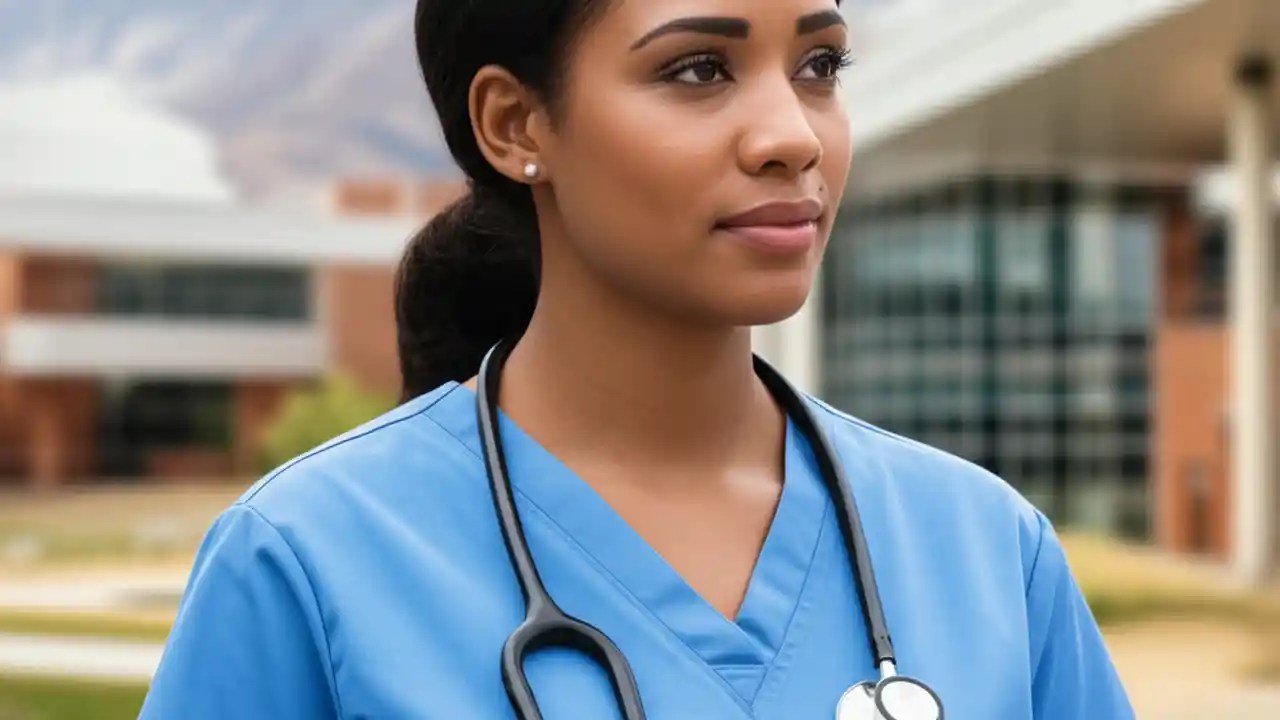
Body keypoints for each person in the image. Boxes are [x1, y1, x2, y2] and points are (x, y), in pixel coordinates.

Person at [139, 0, 1134, 718]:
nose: (793, 136)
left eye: (819, 67)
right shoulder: (306, 563)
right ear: (514, 124)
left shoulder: (985, 552)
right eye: (697, 69)